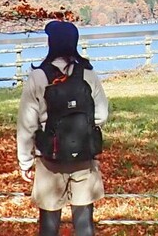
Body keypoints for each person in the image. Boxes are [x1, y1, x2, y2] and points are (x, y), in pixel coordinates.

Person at [17, 19, 107, 236]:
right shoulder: (88, 73)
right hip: (84, 157)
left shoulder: (39, 76)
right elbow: (102, 115)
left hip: (50, 160)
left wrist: (25, 161)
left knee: (49, 225)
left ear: (51, 44)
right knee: (84, 223)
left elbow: (27, 123)